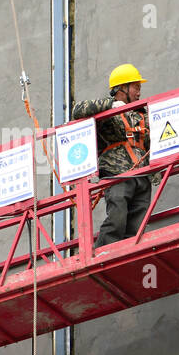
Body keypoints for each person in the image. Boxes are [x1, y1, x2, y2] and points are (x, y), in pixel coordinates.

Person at [72, 63, 151, 248]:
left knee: (137, 226)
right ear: (122, 88)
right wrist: (109, 105)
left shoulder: (142, 115)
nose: (139, 92)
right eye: (136, 87)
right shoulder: (108, 112)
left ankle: (129, 255)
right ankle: (102, 252)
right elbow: (78, 110)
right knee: (117, 217)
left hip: (142, 175)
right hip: (117, 173)